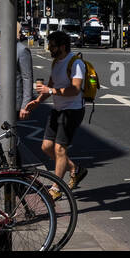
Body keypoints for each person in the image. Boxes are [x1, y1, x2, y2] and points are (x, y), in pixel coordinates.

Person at [21, 31, 89, 193]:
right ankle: (75, 169)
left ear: (62, 47)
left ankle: (56, 188)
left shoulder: (75, 63)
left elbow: (75, 89)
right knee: (46, 147)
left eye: (52, 46)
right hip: (58, 109)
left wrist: (50, 91)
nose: (49, 49)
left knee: (59, 149)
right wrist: (37, 101)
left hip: (72, 111)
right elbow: (51, 85)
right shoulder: (56, 63)